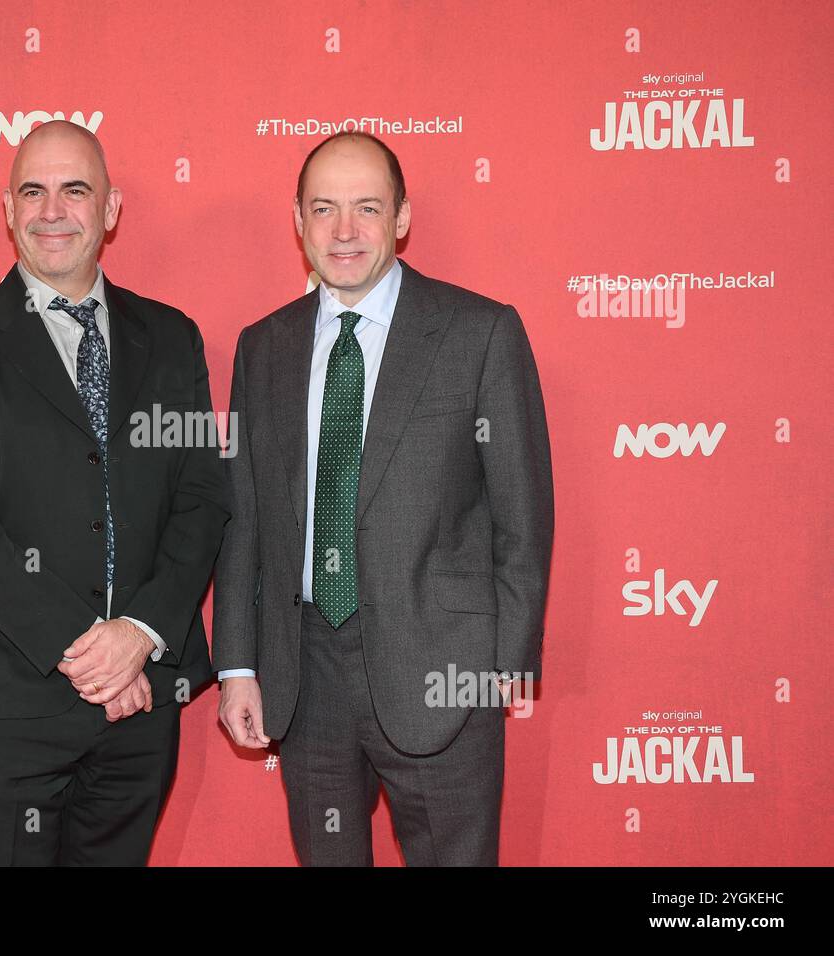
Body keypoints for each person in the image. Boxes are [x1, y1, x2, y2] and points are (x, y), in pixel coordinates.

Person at [213, 131, 553, 866]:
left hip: (443, 671)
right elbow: (244, 520)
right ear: (297, 220)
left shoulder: (480, 332)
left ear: (402, 217)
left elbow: (523, 521)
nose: (344, 232)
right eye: (324, 209)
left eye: (367, 208)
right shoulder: (261, 347)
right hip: (305, 675)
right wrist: (239, 664)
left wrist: (499, 669)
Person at [0, 120, 227, 865]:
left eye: (75, 189)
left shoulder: (172, 337)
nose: (53, 210)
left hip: (144, 699)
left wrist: (139, 635)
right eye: (34, 190)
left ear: (111, 209)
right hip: (10, 700)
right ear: (8, 208)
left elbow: (201, 499)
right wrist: (91, 653)